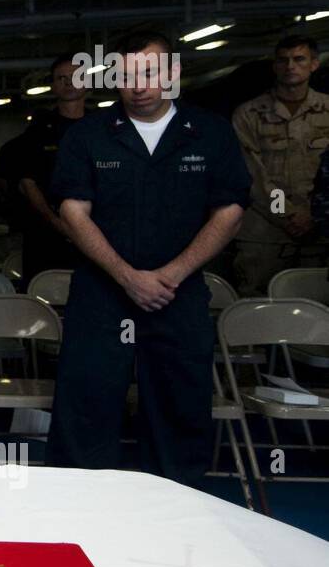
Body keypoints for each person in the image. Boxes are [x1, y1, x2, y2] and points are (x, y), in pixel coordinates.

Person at [47, 31, 250, 486]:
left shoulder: (210, 132)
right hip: (102, 294)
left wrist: (170, 275)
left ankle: (177, 516)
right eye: (128, 75)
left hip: (178, 294)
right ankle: (75, 514)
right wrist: (126, 276)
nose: (139, 85)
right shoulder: (89, 135)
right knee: (87, 407)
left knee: (180, 408)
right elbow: (72, 211)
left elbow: (230, 211)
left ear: (173, 74)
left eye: (150, 73)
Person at [230, 35, 327, 295]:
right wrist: (288, 214)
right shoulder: (249, 114)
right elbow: (251, 173)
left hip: (320, 231)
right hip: (264, 235)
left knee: (318, 311)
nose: (290, 66)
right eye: (283, 60)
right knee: (259, 306)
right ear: (275, 66)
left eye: (299, 59)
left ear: (314, 64)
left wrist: (313, 215)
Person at [16, 54, 87, 286]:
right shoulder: (37, 131)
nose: (69, 83)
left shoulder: (104, 127)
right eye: (62, 78)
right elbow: (28, 183)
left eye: (75, 77)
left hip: (95, 233)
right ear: (54, 86)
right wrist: (57, 223)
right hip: (46, 233)